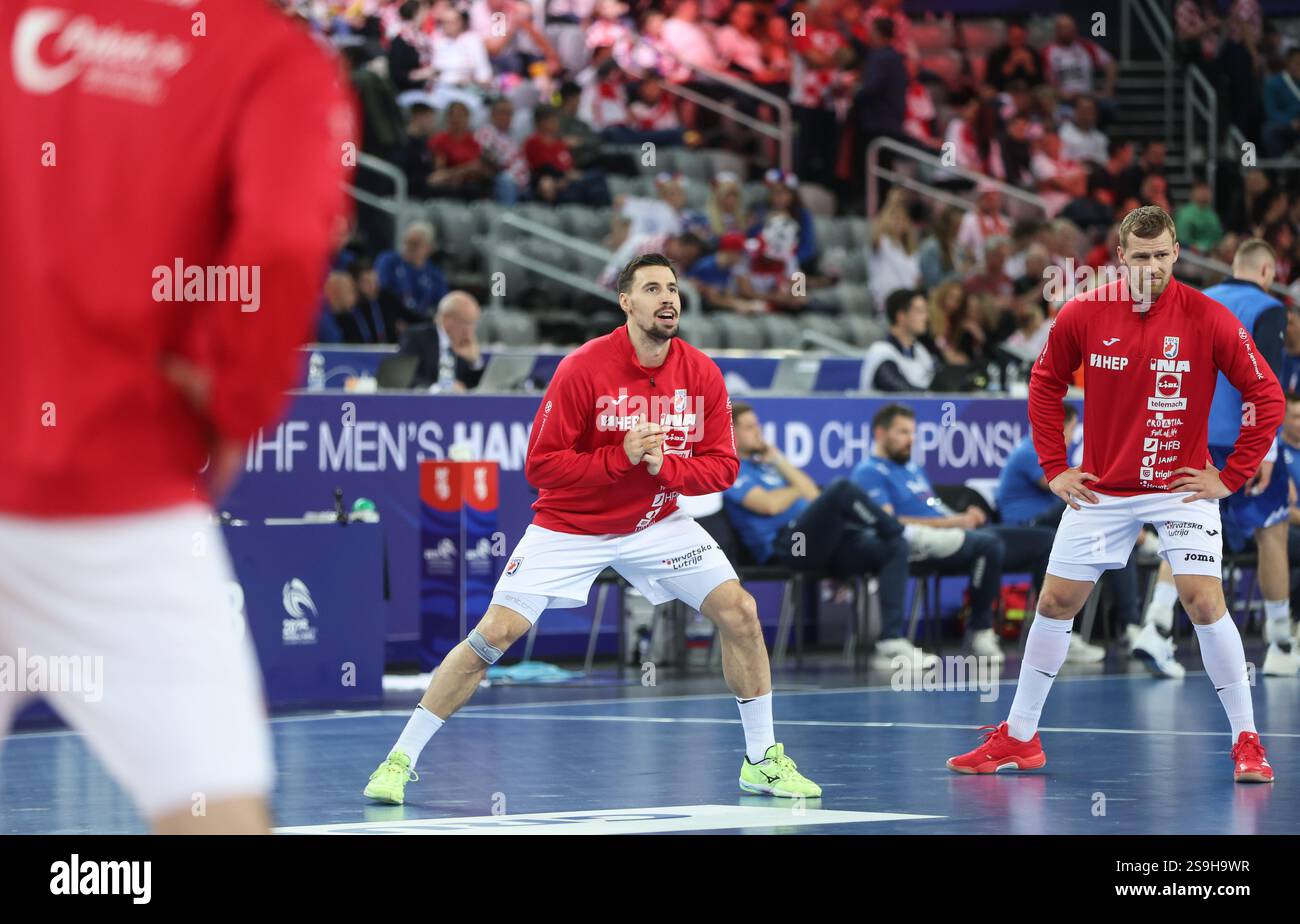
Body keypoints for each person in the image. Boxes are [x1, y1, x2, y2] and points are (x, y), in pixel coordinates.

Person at [0, 0, 354, 832]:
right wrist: (237, 407)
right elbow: (283, 241)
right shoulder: (275, 62)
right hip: (121, 497)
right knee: (215, 811)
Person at [363, 254, 822, 802]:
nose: (667, 298)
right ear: (625, 302)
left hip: (655, 521)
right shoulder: (583, 367)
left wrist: (665, 468)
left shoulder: (701, 373)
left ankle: (760, 761)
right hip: (571, 525)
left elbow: (723, 467)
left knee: (741, 613)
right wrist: (620, 458)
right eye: (652, 289)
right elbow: (540, 466)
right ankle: (397, 760)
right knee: (493, 636)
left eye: (672, 288)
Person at [948, 206, 1284, 783]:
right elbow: (1045, 382)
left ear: (1176, 253)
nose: (1151, 266)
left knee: (1204, 601)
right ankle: (1021, 737)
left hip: (1180, 487)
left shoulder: (1210, 317)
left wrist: (1229, 477)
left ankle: (1248, 742)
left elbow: (1267, 395)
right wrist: (1055, 467)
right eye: (1140, 256)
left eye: (1161, 255)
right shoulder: (1083, 311)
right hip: (1103, 488)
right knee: (1054, 604)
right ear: (1120, 256)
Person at [723, 403, 929, 671]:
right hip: (790, 548)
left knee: (893, 547)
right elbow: (768, 505)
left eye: (758, 425)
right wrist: (795, 490)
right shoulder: (731, 469)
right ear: (732, 433)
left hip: (819, 545)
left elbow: (812, 494)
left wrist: (780, 463)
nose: (758, 433)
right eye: (750, 427)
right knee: (841, 489)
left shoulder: (768, 468)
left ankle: (891, 643)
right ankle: (903, 529)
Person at [852, 405, 1056, 662]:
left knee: (1045, 541)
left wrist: (963, 515)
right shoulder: (869, 472)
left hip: (954, 531)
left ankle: (1054, 633)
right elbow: (889, 523)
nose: (910, 439)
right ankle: (979, 631)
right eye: (902, 432)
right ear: (880, 433)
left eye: (912, 432)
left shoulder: (912, 468)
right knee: (988, 545)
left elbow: (933, 508)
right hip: (919, 543)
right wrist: (952, 523)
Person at [1194, 238, 1297, 676]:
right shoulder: (1268, 308)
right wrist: (1268, 447)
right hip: (1244, 440)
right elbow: (1267, 384)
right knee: (1271, 530)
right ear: (1267, 272)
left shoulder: (1198, 301)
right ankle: (1281, 644)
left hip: (1194, 439)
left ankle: (1156, 626)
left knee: (1189, 531)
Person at [995, 404, 1111, 663]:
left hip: (1044, 525)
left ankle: (1125, 626)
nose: (1071, 437)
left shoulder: (1042, 450)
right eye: (1070, 430)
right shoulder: (1032, 451)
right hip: (1024, 527)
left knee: (1100, 533)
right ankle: (1059, 635)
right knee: (1083, 499)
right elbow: (1061, 488)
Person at [398, 291, 487, 391]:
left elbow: (478, 387)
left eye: (474, 324)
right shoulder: (416, 338)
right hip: (425, 403)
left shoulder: (467, 344)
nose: (470, 331)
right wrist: (440, 389)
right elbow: (405, 376)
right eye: (466, 323)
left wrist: (474, 362)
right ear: (447, 320)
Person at [860, 289, 937, 392]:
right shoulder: (881, 352)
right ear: (901, 316)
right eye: (920, 311)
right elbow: (900, 391)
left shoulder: (920, 351)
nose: (926, 317)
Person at [374, 220, 450, 319]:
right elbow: (380, 293)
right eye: (406, 242)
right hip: (391, 320)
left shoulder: (436, 275)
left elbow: (442, 306)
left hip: (422, 323)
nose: (409, 247)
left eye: (415, 244)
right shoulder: (388, 262)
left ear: (429, 248)